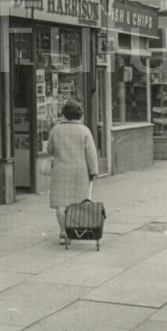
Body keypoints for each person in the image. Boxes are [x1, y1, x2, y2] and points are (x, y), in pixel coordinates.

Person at [46, 99, 98, 245]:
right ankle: (75, 230)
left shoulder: (56, 130)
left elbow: (49, 150)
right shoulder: (84, 131)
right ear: (79, 115)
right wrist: (93, 171)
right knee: (78, 202)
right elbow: (91, 154)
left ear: (64, 114)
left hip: (60, 171)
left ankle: (63, 232)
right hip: (79, 171)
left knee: (61, 204)